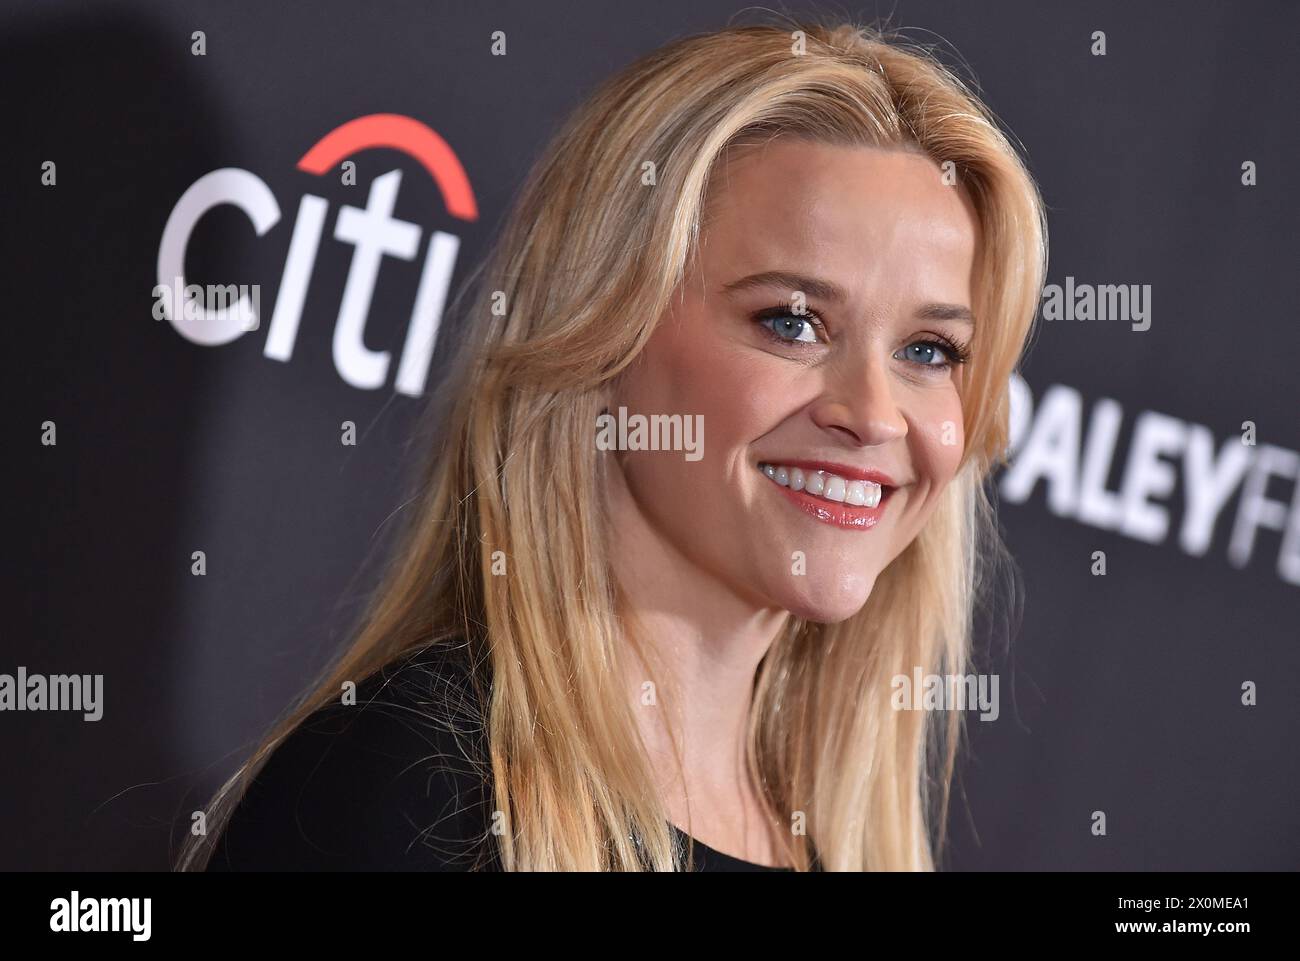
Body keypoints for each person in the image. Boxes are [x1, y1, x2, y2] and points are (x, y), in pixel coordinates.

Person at [185, 17, 1046, 872]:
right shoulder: (408, 792)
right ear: (602, 333)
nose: (875, 414)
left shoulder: (834, 842)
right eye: (792, 321)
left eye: (929, 352)